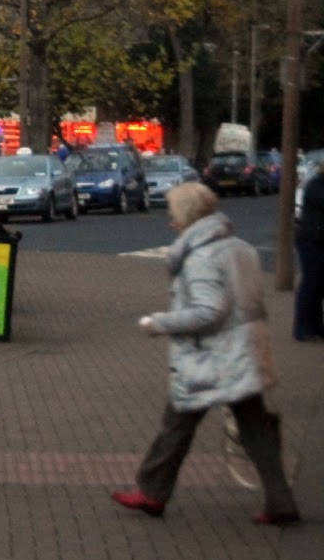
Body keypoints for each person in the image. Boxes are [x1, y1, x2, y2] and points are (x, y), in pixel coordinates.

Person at [112, 182, 300, 525]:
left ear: (186, 217)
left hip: (212, 356)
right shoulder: (240, 248)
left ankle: (153, 492)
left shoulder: (201, 257)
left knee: (177, 423)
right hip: (245, 351)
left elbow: (208, 311)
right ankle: (280, 499)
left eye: (173, 215)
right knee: (255, 428)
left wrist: (159, 322)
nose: (171, 222)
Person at [297, 162, 324, 342]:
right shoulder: (316, 184)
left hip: (318, 240)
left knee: (318, 286)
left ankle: (315, 326)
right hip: (311, 241)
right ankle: (301, 328)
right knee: (310, 285)